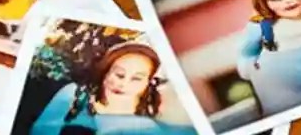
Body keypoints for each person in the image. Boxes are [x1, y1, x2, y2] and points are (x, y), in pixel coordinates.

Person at [31, 42, 196, 134]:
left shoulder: (157, 114)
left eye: (136, 79)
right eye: (119, 75)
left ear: (148, 82)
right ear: (106, 71)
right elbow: (41, 132)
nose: (123, 84)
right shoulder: (74, 94)